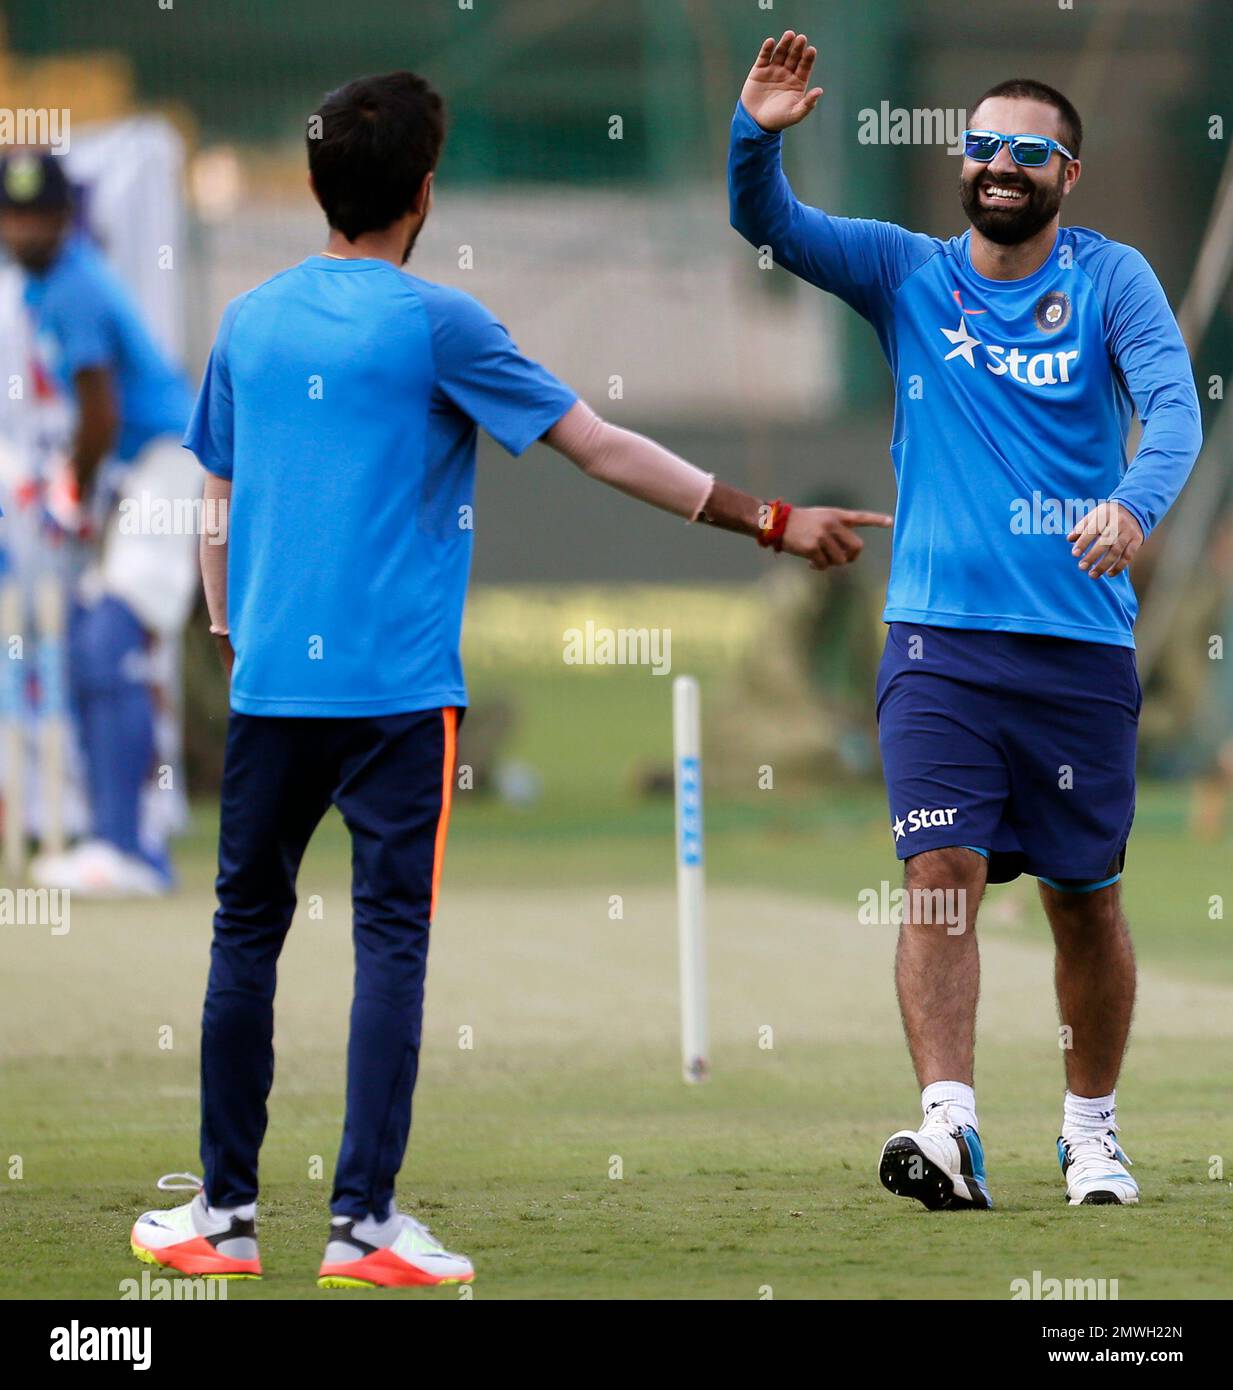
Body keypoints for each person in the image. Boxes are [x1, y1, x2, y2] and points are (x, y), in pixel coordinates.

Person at [128, 69, 892, 1288]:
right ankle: (361, 1225)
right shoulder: (440, 325)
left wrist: (232, 630)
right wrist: (768, 518)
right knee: (390, 942)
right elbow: (599, 447)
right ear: (423, 193)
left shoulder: (249, 322)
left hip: (273, 687)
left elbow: (213, 504)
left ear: (320, 187)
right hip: (399, 700)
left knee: (245, 934)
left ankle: (222, 1218)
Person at [729, 32, 1202, 1209]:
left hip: (1081, 646)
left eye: (1024, 151)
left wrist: (1131, 511)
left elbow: (1177, 416)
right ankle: (950, 1129)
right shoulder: (906, 273)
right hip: (937, 647)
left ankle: (1090, 1132)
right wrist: (757, 135)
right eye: (980, 145)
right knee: (938, 873)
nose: (997, 163)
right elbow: (770, 224)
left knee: (1082, 898)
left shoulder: (1111, 279)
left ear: (1066, 176)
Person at [0, 150, 198, 896]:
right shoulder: (47, 284)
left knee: (109, 638)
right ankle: (120, 842)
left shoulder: (73, 286)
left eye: (38, 215)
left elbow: (102, 414)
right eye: (12, 215)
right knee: (96, 644)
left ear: (64, 217)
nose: (24, 229)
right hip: (141, 473)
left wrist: (69, 501)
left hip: (169, 463)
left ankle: (128, 850)